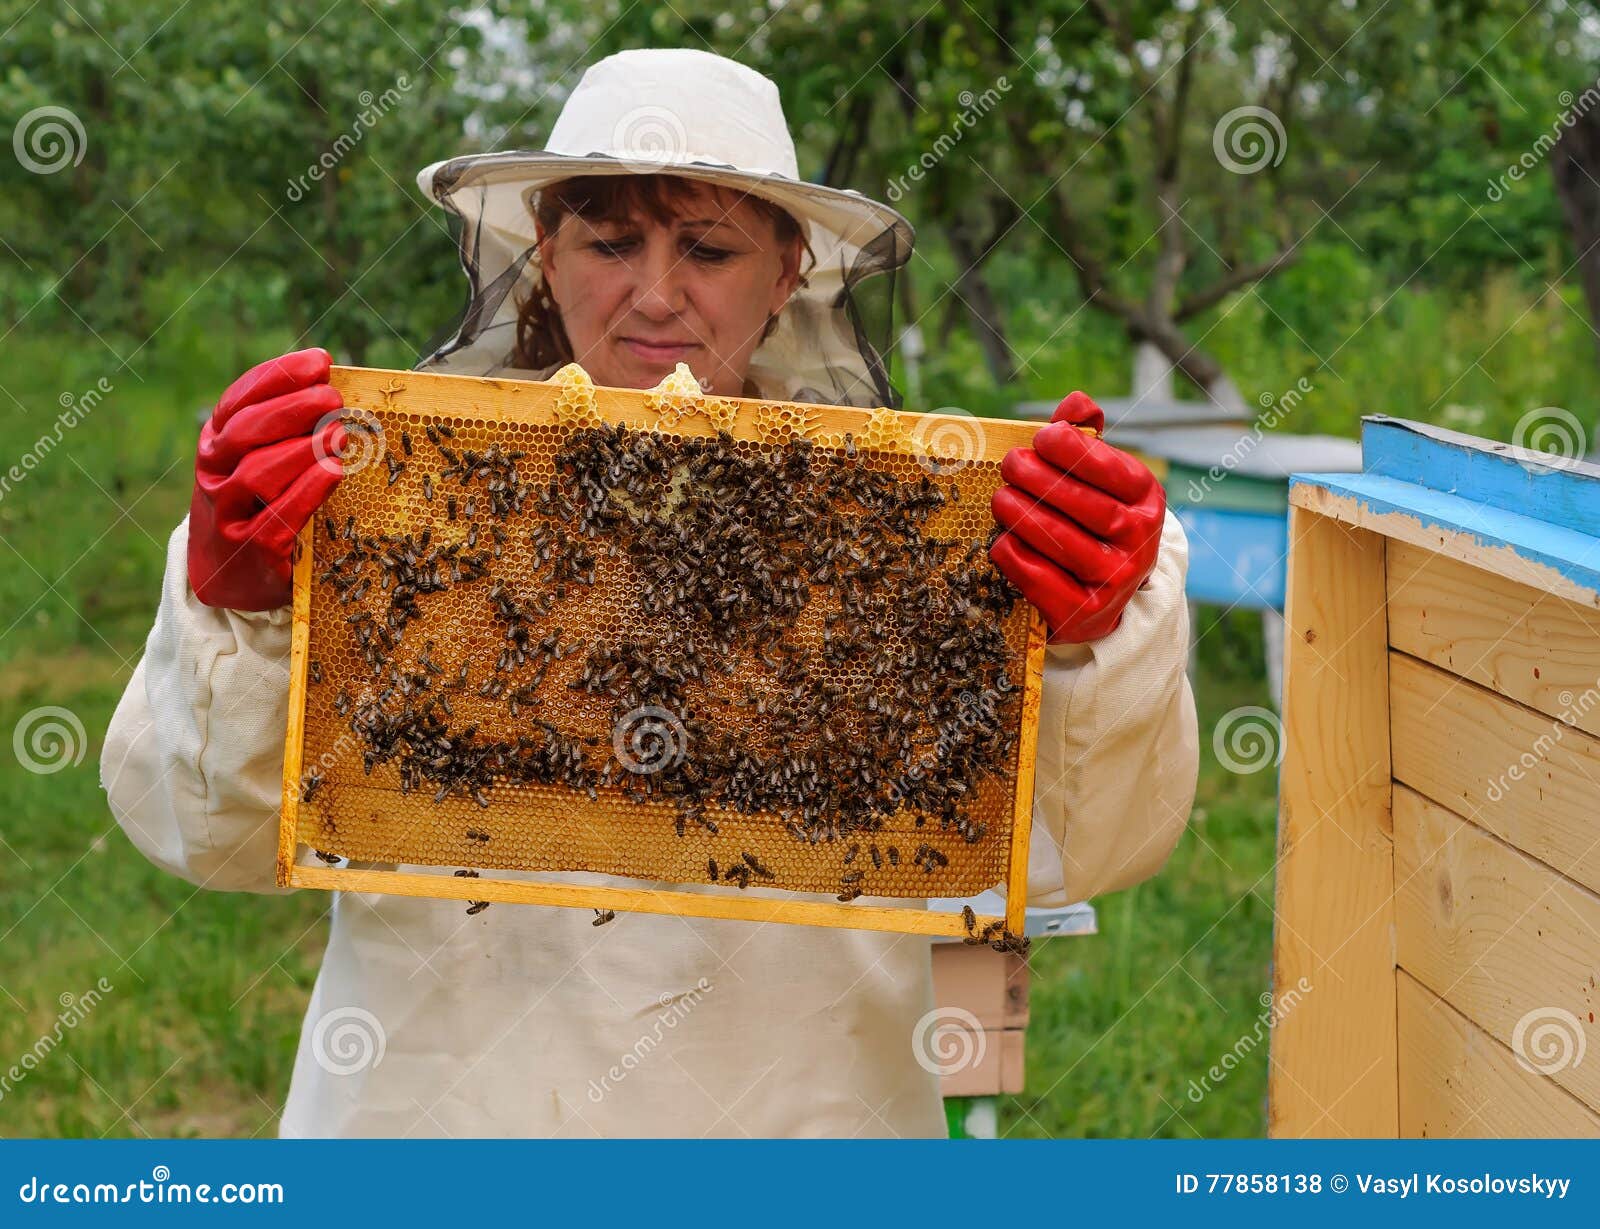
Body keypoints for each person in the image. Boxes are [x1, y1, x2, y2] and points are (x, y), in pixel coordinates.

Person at [101, 47, 1198, 1138]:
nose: (655, 294)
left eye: (709, 249)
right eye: (611, 241)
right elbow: (211, 839)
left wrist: (1094, 643)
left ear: (785, 272)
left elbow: (1080, 852)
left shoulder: (921, 529)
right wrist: (238, 607)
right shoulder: (384, 502)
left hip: (800, 1118)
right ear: (546, 252)